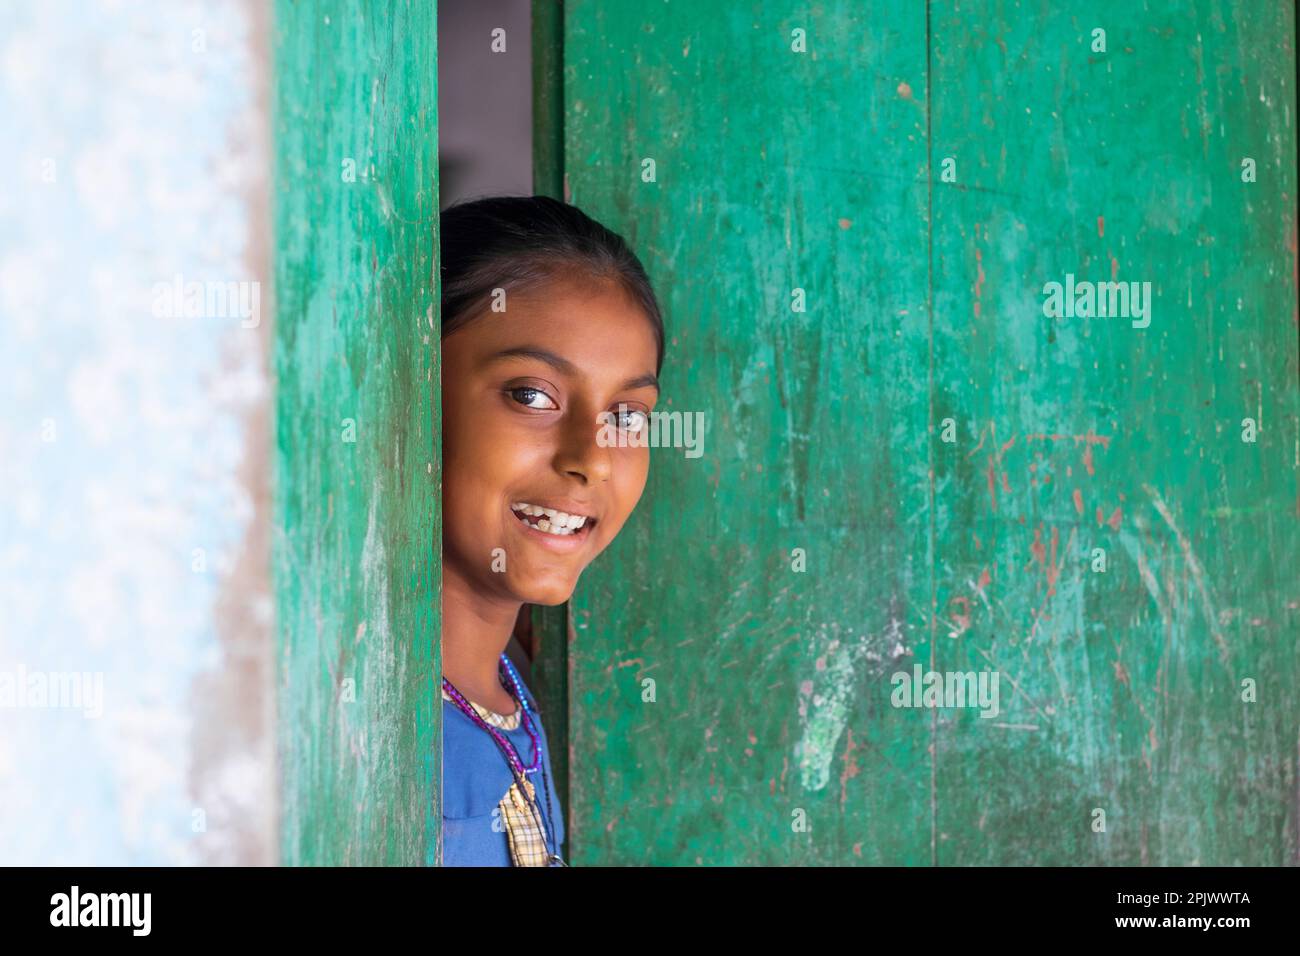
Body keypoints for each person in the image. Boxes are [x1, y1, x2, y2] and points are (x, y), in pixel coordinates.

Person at [438, 195, 665, 866]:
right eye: (532, 395)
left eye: (626, 415)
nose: (590, 457)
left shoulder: (511, 699)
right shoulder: (348, 722)